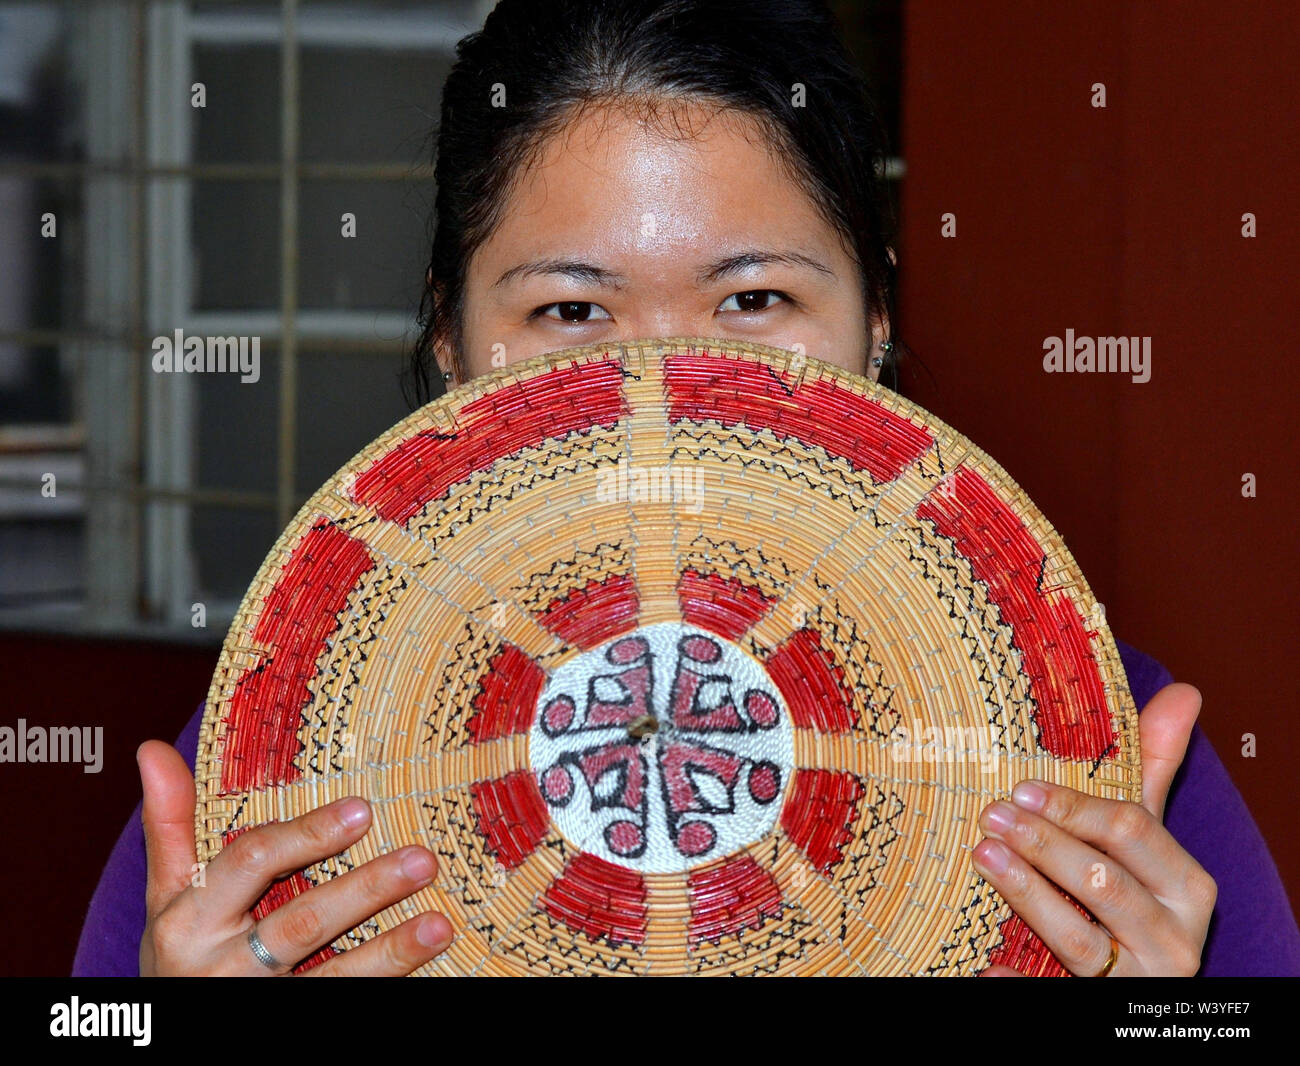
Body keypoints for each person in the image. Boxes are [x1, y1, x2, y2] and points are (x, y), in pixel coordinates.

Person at [74, 0, 1300, 977]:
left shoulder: (1112, 775)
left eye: (754, 299)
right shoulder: (265, 792)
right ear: (451, 344)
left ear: (876, 316)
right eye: (570, 310)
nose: (665, 379)